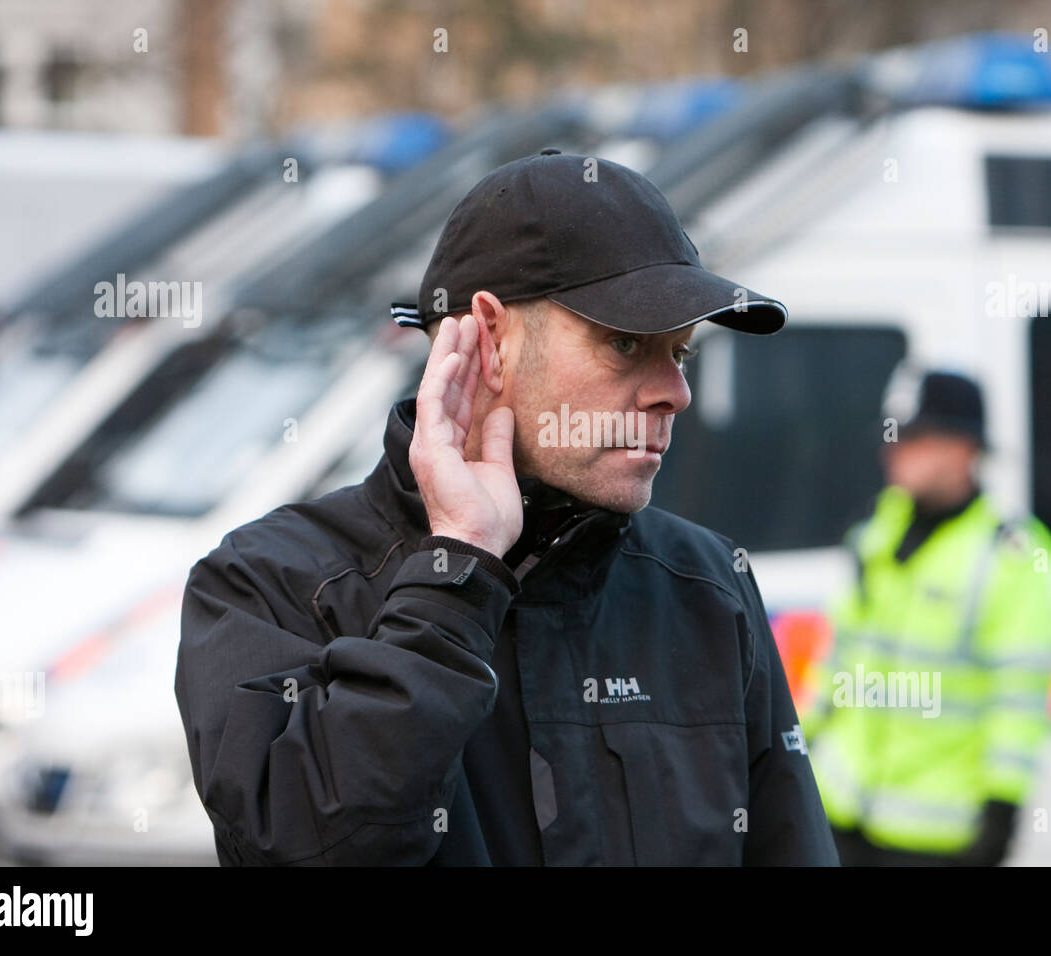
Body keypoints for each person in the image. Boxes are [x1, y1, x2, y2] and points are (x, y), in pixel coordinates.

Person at [174, 149, 839, 866]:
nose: (673, 391)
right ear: (489, 337)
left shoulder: (708, 585)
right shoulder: (269, 583)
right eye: (625, 344)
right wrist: (457, 570)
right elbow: (315, 847)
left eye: (681, 353)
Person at [802, 363, 1051, 865]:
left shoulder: (1010, 556)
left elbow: (1019, 704)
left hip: (934, 841)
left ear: (964, 448)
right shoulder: (878, 528)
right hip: (840, 813)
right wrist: (793, 755)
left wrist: (1000, 816)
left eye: (913, 437)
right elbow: (838, 665)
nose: (892, 449)